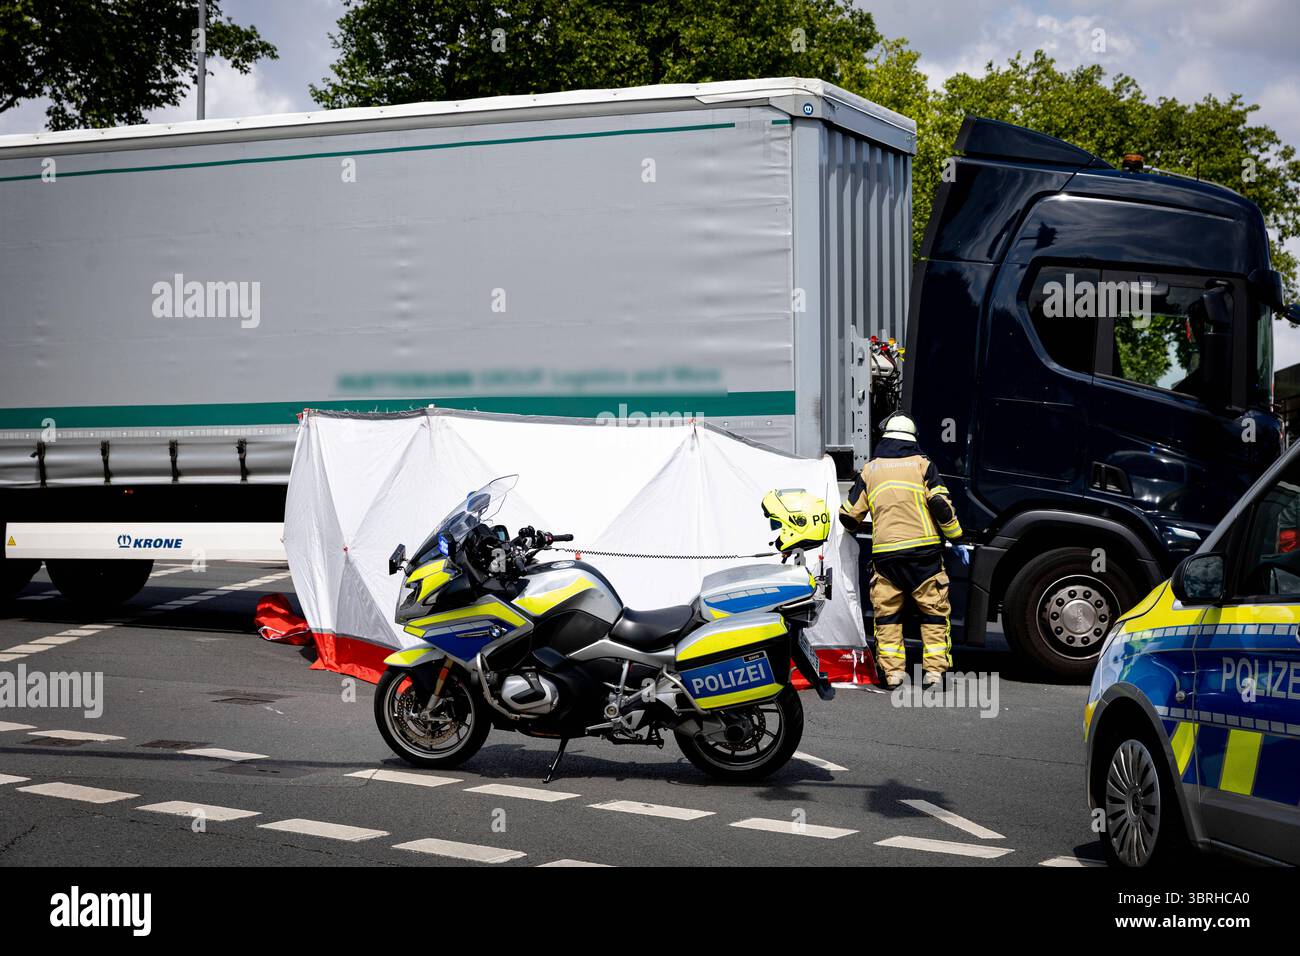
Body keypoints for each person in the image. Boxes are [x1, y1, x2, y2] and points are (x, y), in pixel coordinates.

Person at [839, 413, 963, 688]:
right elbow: (941, 504)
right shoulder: (922, 465)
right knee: (933, 613)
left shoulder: (870, 470)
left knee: (888, 616)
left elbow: (849, 516)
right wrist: (955, 535)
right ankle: (934, 672)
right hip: (924, 554)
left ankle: (893, 673)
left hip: (886, 558)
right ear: (911, 439)